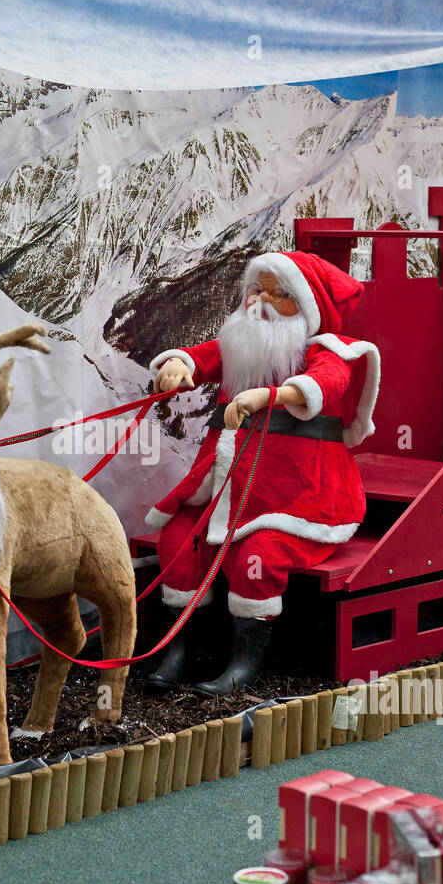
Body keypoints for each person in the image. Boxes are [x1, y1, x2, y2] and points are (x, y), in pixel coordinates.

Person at [144, 251, 380, 696]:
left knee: (261, 554)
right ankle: (179, 649)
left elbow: (324, 385)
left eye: (280, 294)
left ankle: (243, 661)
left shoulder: (329, 352)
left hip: (300, 500)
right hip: (228, 490)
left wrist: (268, 395)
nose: (264, 300)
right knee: (178, 538)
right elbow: (201, 358)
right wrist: (179, 365)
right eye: (257, 289)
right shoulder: (241, 345)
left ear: (307, 305)